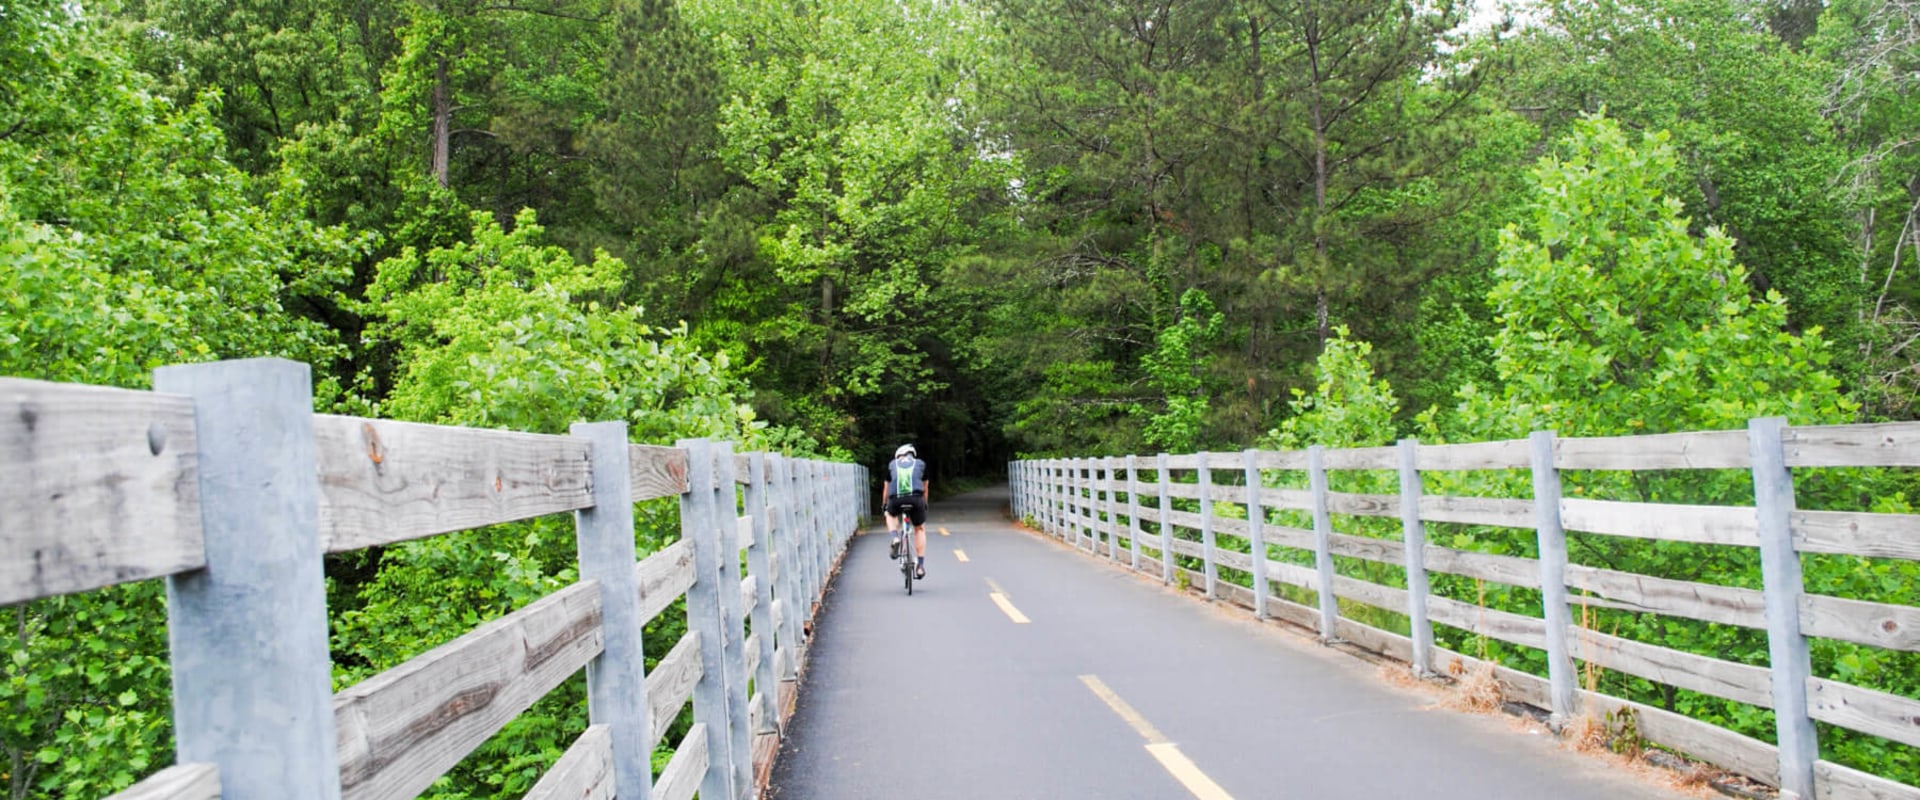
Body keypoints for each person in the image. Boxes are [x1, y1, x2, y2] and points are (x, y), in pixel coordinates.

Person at [883, 443, 930, 579]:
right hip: (916, 499)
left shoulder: (892, 464)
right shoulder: (920, 464)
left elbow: (886, 489)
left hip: (896, 500)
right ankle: (920, 566)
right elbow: (925, 488)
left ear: (898, 455)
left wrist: (884, 505)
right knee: (919, 529)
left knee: (890, 514)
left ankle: (895, 537)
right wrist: (924, 504)